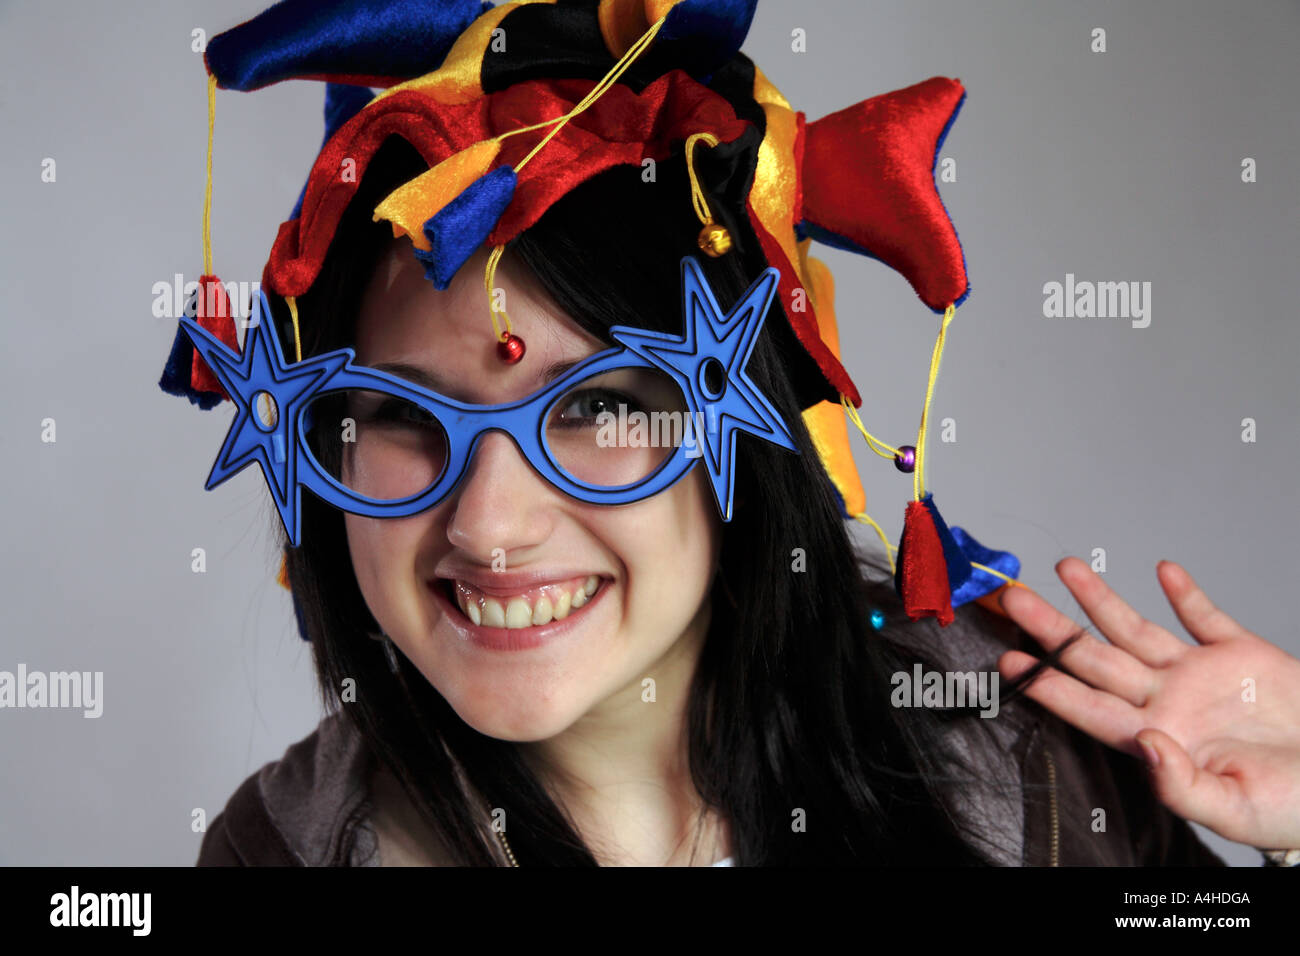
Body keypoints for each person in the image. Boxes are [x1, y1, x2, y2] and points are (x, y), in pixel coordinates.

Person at [167, 0, 1300, 867]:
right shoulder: (281, 850)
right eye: (404, 415)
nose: (490, 520)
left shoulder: (1021, 762)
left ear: (748, 424)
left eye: (600, 404)